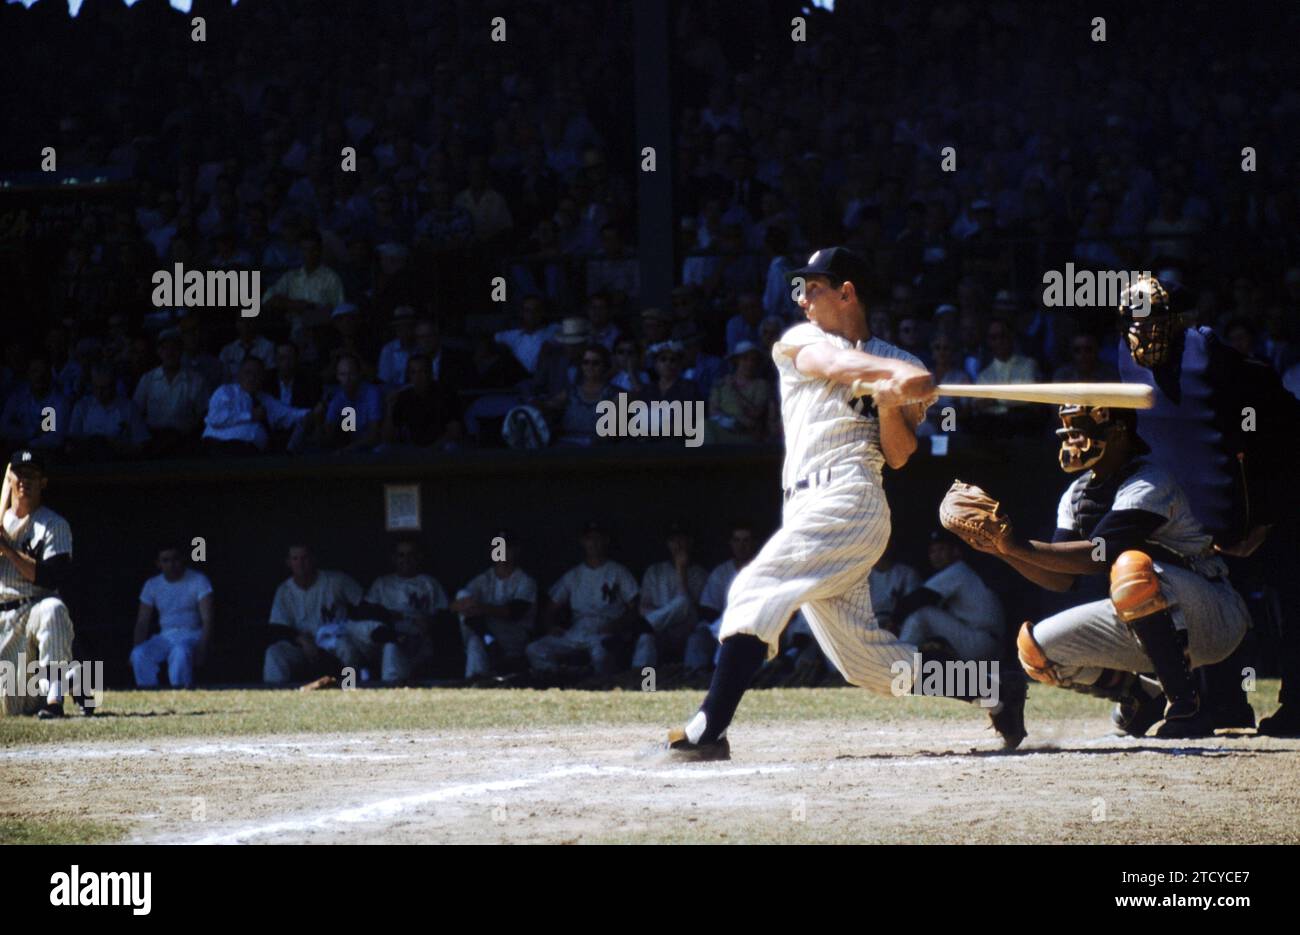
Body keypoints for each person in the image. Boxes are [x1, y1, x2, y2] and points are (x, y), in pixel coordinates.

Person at [662, 246, 1026, 760]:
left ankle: (710, 728)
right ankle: (995, 687)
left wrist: (891, 400)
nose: (803, 300)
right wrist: (887, 378)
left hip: (851, 494)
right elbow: (834, 362)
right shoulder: (802, 340)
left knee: (755, 587)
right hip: (806, 503)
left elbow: (899, 455)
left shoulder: (904, 365)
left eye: (813, 289)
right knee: (866, 664)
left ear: (846, 292)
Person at [959, 405, 1251, 738]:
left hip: (1213, 611)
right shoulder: (1076, 493)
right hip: (1152, 616)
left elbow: (1099, 555)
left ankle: (1186, 704)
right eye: (1067, 433)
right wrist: (1001, 551)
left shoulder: (1149, 482)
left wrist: (1016, 545)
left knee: (1132, 570)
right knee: (1036, 650)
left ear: (1116, 433)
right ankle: (1141, 693)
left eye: (1079, 432)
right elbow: (1060, 578)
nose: (1071, 442)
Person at [1116, 276, 1300, 735]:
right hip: (1185, 520)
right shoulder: (1126, 362)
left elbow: (1278, 426)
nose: (1142, 333)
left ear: (1179, 322)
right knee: (1192, 609)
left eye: (1153, 321)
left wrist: (1265, 517)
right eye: (1134, 322)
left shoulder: (1213, 358)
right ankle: (1219, 703)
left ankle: (1297, 702)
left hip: (1255, 508)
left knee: (1289, 604)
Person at [0, 450, 86, 718]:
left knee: (53, 609)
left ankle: (54, 700)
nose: (25, 480)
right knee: (14, 709)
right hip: (3, 617)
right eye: (20, 474)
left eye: (33, 475)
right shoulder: (2, 521)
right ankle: (74, 674)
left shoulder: (53, 524)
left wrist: (7, 548)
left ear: (43, 482)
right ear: (10, 479)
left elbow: (51, 577)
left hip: (33, 611)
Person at [526, 521, 640, 678]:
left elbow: (636, 608)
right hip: (578, 629)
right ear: (583, 542)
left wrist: (617, 625)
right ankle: (561, 679)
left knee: (601, 655)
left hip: (606, 629)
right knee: (534, 649)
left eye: (598, 538)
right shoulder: (574, 575)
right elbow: (550, 608)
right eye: (589, 539)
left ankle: (600, 686)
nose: (593, 543)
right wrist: (550, 626)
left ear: (605, 541)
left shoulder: (618, 571)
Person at [262, 544, 388, 685]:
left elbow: (364, 606)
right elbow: (278, 628)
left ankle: (351, 687)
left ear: (313, 559)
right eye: (295, 559)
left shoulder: (336, 580)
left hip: (335, 639)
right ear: (288, 563)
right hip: (303, 646)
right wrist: (302, 641)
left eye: (304, 558)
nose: (300, 563)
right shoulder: (284, 590)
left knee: (347, 648)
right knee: (274, 653)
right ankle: (274, 694)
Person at [892, 532, 1005, 662]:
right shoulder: (967, 572)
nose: (936, 555)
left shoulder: (958, 570)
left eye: (941, 549)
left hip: (979, 641)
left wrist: (892, 622)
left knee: (922, 614)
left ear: (956, 551)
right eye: (932, 551)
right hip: (987, 642)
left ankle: (895, 662)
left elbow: (917, 599)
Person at [359, 538, 452, 682]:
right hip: (388, 639)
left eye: (410, 555)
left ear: (418, 557)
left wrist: (430, 622)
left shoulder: (429, 583)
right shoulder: (382, 583)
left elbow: (444, 615)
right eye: (401, 555)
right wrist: (392, 616)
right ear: (393, 558)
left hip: (418, 642)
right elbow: (366, 613)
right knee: (389, 643)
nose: (406, 559)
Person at [451, 532, 539, 679]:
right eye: (498, 546)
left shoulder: (525, 580)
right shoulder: (484, 578)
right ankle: (476, 682)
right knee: (463, 597)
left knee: (476, 636)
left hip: (514, 636)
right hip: (486, 634)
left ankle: (487, 639)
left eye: (506, 546)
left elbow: (514, 612)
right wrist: (468, 605)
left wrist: (480, 608)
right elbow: (453, 606)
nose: (501, 550)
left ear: (516, 550)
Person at [130, 545, 214, 689]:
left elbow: (208, 619)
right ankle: (148, 694)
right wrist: (136, 646)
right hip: (165, 636)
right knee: (139, 654)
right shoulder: (152, 585)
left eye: (175, 559)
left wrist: (202, 647)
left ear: (182, 560)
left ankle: (180, 694)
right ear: (158, 563)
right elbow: (142, 622)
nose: (171, 564)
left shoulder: (199, 580)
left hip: (192, 635)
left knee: (180, 652)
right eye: (166, 560)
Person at [633, 523, 709, 670]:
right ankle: (646, 686)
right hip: (660, 632)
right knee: (645, 638)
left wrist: (681, 570)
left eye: (682, 539)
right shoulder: (655, 571)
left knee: (683, 603)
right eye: (674, 540)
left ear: (690, 542)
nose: (678, 545)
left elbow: (697, 612)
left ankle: (691, 684)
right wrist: (668, 615)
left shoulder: (700, 573)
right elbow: (643, 608)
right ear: (668, 544)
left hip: (687, 630)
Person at [687, 522, 759, 674]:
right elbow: (708, 609)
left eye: (746, 540)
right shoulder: (721, 572)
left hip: (754, 629)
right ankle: (694, 677)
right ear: (731, 543)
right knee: (697, 638)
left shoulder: (764, 569)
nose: (742, 546)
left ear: (753, 543)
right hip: (719, 628)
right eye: (737, 540)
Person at [202, 358, 315, 454]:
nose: (252, 378)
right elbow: (215, 418)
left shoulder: (265, 399)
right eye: (248, 373)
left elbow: (289, 413)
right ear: (240, 375)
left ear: (262, 378)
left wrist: (312, 413)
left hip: (252, 454)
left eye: (257, 374)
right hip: (219, 446)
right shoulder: (226, 391)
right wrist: (250, 416)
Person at [132, 330, 207, 455]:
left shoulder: (196, 380)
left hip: (184, 441)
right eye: (165, 348)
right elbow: (136, 413)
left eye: (175, 348)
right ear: (158, 351)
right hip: (153, 440)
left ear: (181, 351)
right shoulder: (147, 379)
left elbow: (203, 414)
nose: (169, 353)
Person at [67, 362, 149, 459]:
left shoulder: (129, 408)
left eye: (104, 388)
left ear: (114, 385)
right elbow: (71, 444)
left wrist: (119, 447)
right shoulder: (81, 406)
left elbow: (141, 445)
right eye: (96, 387)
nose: (100, 392)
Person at [706, 341, 774, 444]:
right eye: (745, 359)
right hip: (722, 431)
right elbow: (712, 410)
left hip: (746, 436)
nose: (749, 364)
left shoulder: (761, 385)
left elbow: (755, 414)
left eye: (753, 360)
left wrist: (734, 390)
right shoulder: (721, 384)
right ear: (736, 361)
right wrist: (728, 420)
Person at [867, 538, 923, 633]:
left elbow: (913, 607)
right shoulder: (863, 575)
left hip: (899, 626)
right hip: (867, 626)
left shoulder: (906, 573)